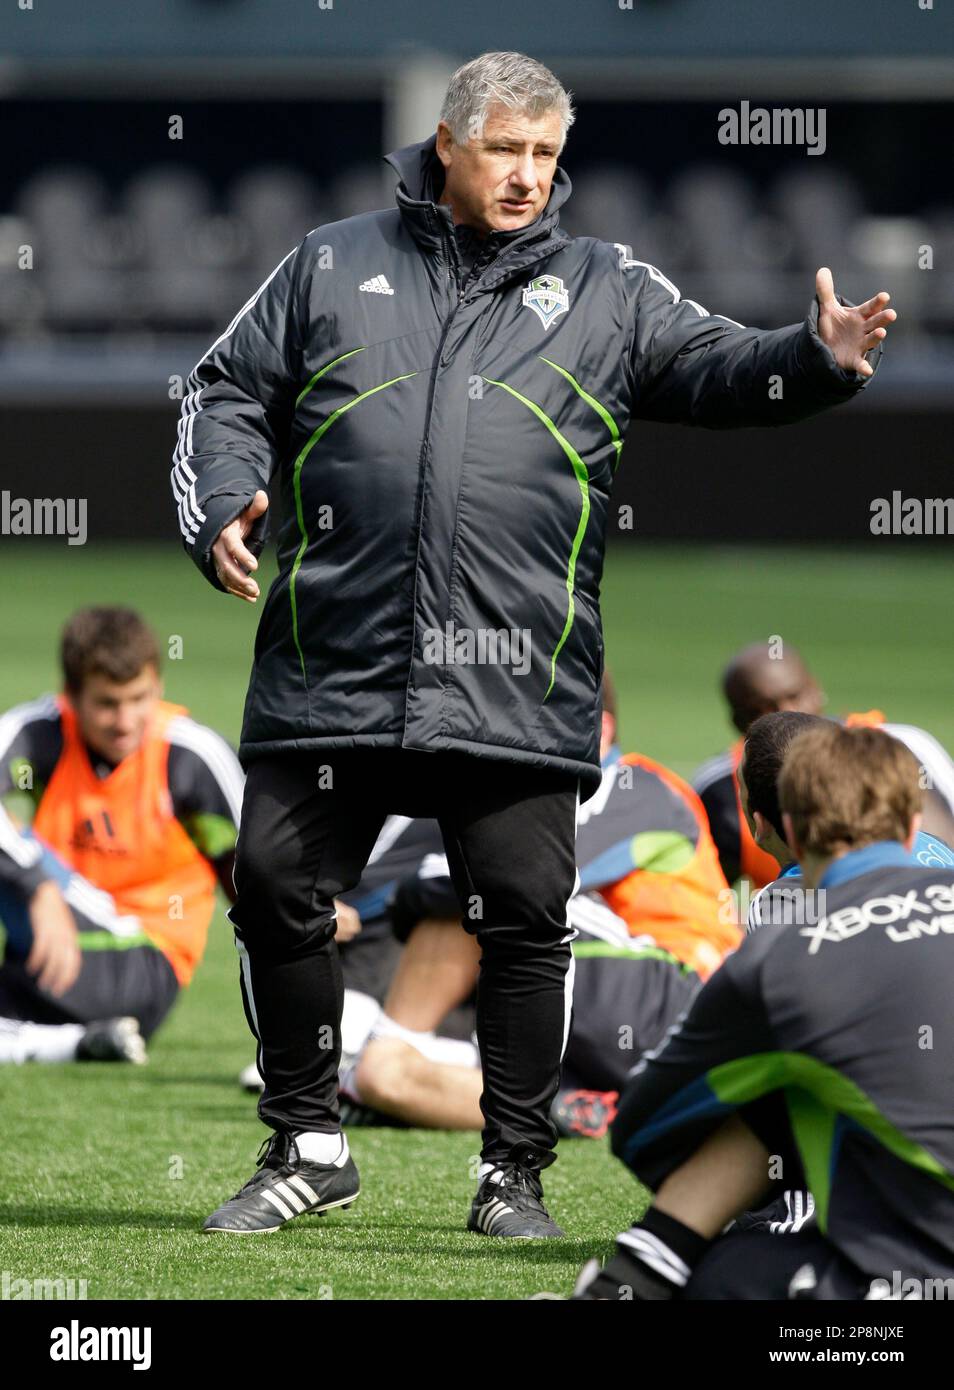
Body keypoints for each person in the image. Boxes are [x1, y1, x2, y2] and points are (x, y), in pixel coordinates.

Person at [172, 49, 894, 1239]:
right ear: (448, 144)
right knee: (274, 887)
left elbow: (718, 368)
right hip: (332, 660)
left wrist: (812, 360)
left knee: (523, 918)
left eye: (545, 155)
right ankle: (306, 1142)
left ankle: (514, 1172)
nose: (525, 176)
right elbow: (221, 391)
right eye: (504, 150)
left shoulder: (607, 284)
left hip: (515, 672)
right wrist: (223, 499)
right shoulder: (329, 261)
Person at [573, 723, 954, 1299]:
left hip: (911, 1273)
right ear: (912, 824)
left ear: (784, 828)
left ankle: (631, 1283)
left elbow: (640, 1130)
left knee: (726, 1270)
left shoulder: (784, 947)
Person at [348, 670, 736, 1149]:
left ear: (602, 733)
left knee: (497, 899)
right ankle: (563, 1107)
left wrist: (401, 904)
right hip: (635, 1017)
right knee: (388, 1075)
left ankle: (386, 1044)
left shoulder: (631, 786)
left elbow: (498, 878)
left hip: (675, 993)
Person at [0, 608, 243, 1064]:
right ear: (70, 697)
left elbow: (253, 866)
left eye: (140, 698)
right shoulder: (42, 734)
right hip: (55, 951)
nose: (126, 720)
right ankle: (81, 1045)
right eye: (108, 703)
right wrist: (39, 887)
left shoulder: (190, 756)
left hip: (142, 963)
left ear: (159, 688)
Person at [693, 641, 954, 887]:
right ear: (738, 721)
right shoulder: (721, 791)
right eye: (760, 708)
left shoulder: (898, 746)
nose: (786, 713)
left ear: (815, 689)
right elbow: (707, 903)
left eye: (794, 696)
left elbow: (943, 851)